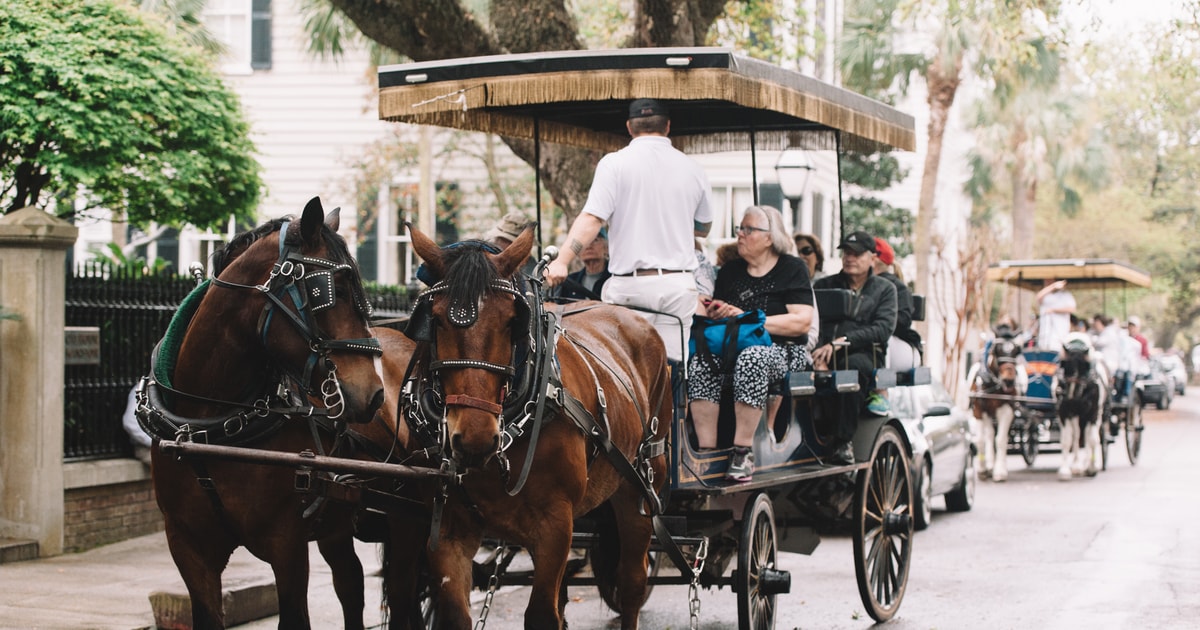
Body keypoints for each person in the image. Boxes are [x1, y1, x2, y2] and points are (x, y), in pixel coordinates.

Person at [545, 98, 713, 363]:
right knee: (671, 369)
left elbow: (593, 218)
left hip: (631, 284)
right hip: (677, 284)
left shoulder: (614, 163)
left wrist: (562, 260)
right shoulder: (693, 168)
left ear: (629, 127)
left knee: (625, 368)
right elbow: (703, 228)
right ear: (667, 126)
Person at [687, 205, 814, 482]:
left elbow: (801, 322)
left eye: (748, 229)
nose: (740, 234)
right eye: (739, 228)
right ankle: (706, 452)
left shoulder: (792, 268)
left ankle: (742, 453)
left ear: (770, 237)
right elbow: (724, 314)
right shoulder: (731, 271)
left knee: (753, 357)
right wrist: (718, 310)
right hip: (733, 346)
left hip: (783, 350)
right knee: (700, 362)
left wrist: (749, 319)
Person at [812, 230, 897, 427]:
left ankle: (843, 438)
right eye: (846, 253)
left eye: (856, 254)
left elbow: (883, 329)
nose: (850, 258)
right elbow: (813, 321)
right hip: (822, 349)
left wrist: (843, 341)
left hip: (865, 353)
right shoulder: (824, 285)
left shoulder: (885, 289)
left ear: (872, 258)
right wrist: (820, 354)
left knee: (851, 369)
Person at [872, 237, 921, 369]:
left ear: (873, 260)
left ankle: (881, 381)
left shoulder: (897, 287)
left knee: (882, 341)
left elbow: (903, 321)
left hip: (896, 343)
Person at [557, 232, 611, 301]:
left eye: (595, 240)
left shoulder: (614, 279)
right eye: (585, 242)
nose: (589, 246)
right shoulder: (570, 281)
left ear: (607, 248)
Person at [1035, 279, 1075, 353]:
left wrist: (1054, 310)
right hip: (1045, 334)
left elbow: (1071, 308)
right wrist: (1053, 286)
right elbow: (1038, 297)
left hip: (1059, 333)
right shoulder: (1046, 296)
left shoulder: (1065, 295)